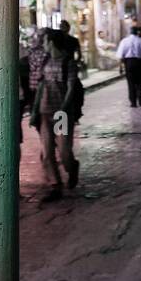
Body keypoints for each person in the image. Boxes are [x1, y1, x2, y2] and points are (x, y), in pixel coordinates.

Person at [30, 30, 81, 202]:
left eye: (44, 41)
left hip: (61, 114)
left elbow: (71, 88)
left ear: (51, 42)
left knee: (65, 151)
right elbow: (40, 87)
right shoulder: (45, 61)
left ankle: (72, 167)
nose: (43, 44)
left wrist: (64, 108)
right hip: (45, 113)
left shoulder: (68, 62)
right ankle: (55, 185)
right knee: (47, 152)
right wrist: (35, 110)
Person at [116, 25, 141, 108]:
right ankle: (139, 96)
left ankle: (133, 102)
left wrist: (120, 68)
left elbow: (120, 56)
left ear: (130, 32)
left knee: (130, 83)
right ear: (137, 32)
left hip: (129, 63)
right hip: (139, 63)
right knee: (139, 82)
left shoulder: (124, 41)